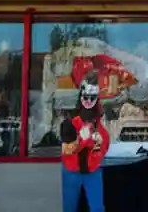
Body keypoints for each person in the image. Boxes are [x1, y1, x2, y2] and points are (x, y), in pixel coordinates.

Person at [61, 75, 110, 212]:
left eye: (92, 97)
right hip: (71, 171)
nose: (88, 101)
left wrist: (99, 144)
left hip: (92, 171)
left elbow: (104, 146)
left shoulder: (98, 121)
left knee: (97, 209)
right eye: (86, 97)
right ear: (81, 96)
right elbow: (67, 150)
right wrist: (81, 140)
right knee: (70, 208)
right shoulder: (70, 122)